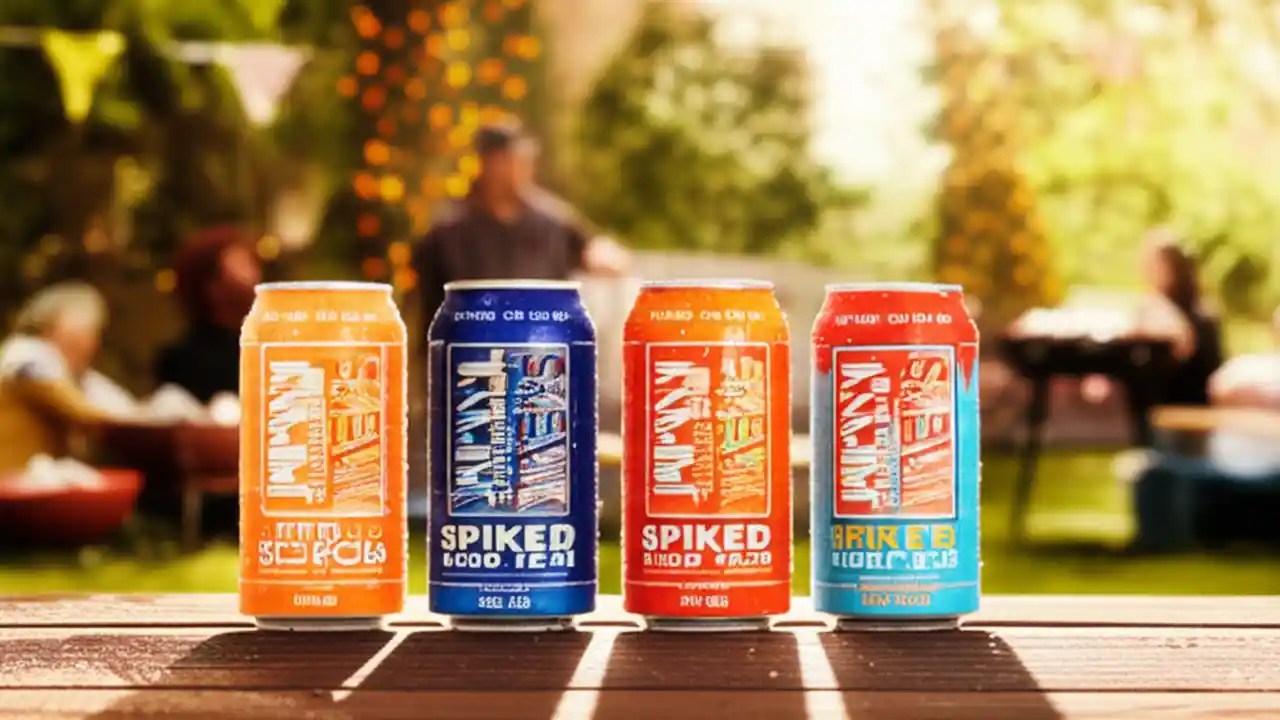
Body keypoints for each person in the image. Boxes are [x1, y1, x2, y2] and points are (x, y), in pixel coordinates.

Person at [413, 120, 629, 328]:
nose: (519, 170)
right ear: (487, 164)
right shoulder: (447, 232)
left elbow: (592, 249)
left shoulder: (552, 221)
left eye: (524, 162)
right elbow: (428, 311)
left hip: (543, 342)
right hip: (475, 346)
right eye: (509, 162)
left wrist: (604, 255)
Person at [1130, 306, 1280, 551]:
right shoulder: (1248, 367)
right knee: (1152, 471)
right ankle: (1161, 546)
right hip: (1226, 466)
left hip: (1272, 473)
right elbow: (1221, 389)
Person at [0, 282, 117, 472]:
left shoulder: (75, 373)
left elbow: (117, 407)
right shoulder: (27, 353)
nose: (92, 344)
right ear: (52, 326)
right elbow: (82, 411)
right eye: (86, 332)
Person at [156, 227, 261, 403]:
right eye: (243, 265)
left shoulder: (264, 348)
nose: (255, 277)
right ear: (212, 287)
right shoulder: (185, 361)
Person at [1135, 229, 1223, 405]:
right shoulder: (1156, 309)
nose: (1145, 271)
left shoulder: (1197, 318)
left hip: (1185, 405)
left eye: (1153, 265)